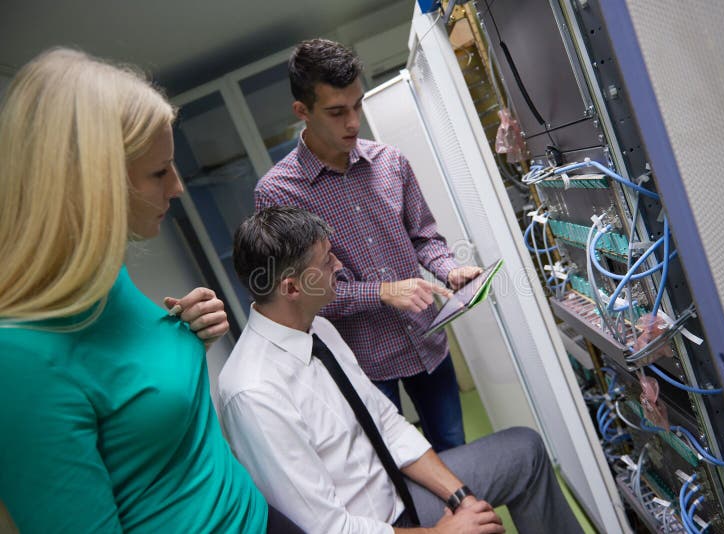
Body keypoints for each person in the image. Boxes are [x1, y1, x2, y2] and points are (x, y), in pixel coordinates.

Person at [0, 48, 302, 534]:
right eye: (159, 172)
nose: (179, 187)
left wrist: (183, 335)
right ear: (91, 185)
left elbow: (124, 386)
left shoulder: (103, 276)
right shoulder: (17, 361)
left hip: (253, 510)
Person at [219, 205, 584, 534]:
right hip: (371, 526)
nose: (340, 267)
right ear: (292, 287)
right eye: (328, 261)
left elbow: (385, 423)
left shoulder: (319, 329)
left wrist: (460, 498)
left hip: (398, 492)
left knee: (524, 451)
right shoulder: (253, 392)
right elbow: (327, 530)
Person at [254, 38, 482, 452]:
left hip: (426, 341)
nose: (354, 123)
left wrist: (449, 267)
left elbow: (424, 238)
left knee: (455, 448)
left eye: (357, 106)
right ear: (302, 112)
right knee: (394, 474)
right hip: (362, 362)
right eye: (337, 112)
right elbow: (302, 295)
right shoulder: (278, 195)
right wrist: (381, 292)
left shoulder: (391, 162)